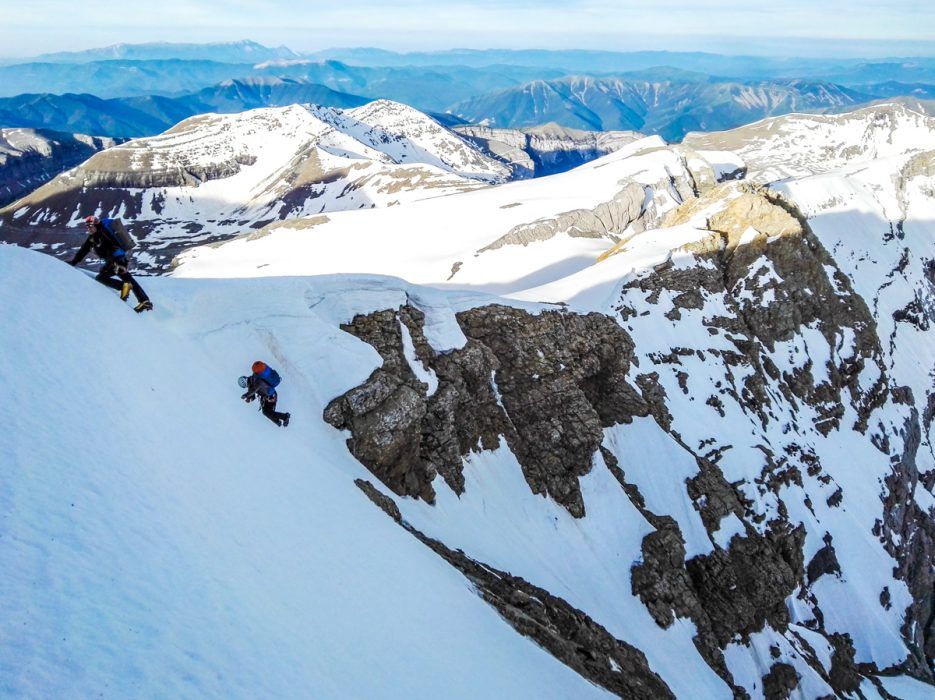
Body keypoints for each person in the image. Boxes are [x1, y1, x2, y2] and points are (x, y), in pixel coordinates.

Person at [69, 215, 152, 313]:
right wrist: (74, 261)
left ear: (96, 225)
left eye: (90, 226)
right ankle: (144, 300)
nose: (88, 229)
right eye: (87, 227)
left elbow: (112, 247)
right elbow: (84, 250)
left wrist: (116, 263)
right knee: (126, 279)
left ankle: (124, 287)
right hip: (117, 261)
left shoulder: (103, 234)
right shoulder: (93, 237)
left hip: (117, 261)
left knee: (102, 278)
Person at [242, 361, 291, 427]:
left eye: (244, 383)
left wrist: (246, 395)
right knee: (266, 412)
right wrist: (249, 398)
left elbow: (254, 390)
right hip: (267, 397)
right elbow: (252, 395)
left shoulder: (257, 380)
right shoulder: (252, 383)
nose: (245, 385)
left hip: (271, 396)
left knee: (266, 412)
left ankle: (283, 418)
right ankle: (280, 421)